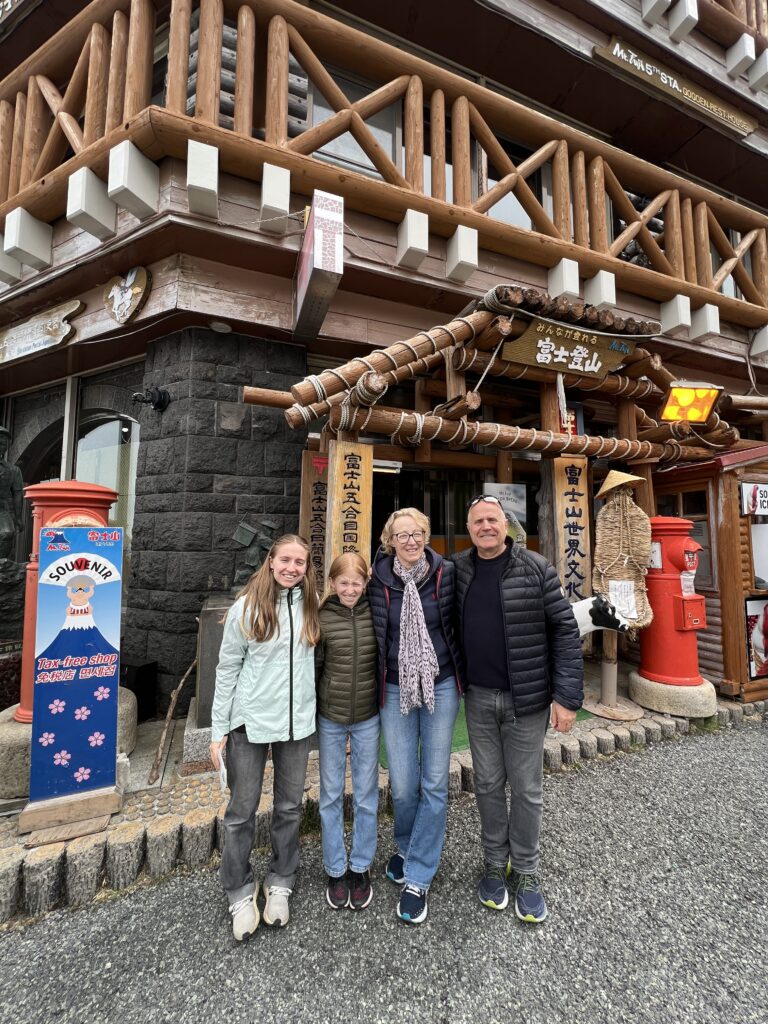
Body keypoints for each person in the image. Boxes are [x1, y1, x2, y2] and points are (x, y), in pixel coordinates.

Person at [453, 495, 583, 923]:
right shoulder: (460, 569)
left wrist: (567, 698)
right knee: (487, 784)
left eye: (492, 519)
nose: (485, 527)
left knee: (527, 789)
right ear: (469, 528)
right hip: (478, 698)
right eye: (477, 522)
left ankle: (525, 869)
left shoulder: (536, 568)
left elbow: (565, 629)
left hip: (526, 700)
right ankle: (494, 861)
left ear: (506, 524)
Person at [209, 534, 320, 941]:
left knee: (289, 807)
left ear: (307, 568)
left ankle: (281, 880)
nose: (292, 568)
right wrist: (218, 729)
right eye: (285, 560)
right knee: (241, 810)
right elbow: (226, 670)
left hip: (296, 725)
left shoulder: (311, 606)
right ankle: (239, 889)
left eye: (300, 562)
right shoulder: (247, 608)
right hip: (249, 724)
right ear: (270, 561)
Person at [368, 508, 462, 925]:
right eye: (402, 534)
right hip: (394, 686)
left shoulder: (446, 573)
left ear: (427, 535)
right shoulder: (377, 581)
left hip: (440, 683)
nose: (410, 540)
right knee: (404, 783)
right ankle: (405, 845)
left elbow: (466, 622)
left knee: (435, 780)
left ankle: (419, 874)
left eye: (418, 532)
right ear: (389, 540)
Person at [315, 553, 379, 911]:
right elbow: (315, 667)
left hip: (369, 714)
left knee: (367, 794)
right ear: (333, 583)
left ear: (366, 582)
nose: (351, 589)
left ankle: (361, 865)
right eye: (344, 582)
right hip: (331, 717)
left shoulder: (376, 612)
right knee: (331, 794)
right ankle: (335, 867)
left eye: (357, 583)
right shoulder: (322, 616)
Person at [0, 426, 23, 561]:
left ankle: (2, 565)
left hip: (3, 508)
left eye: (4, 443)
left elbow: (17, 494)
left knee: (7, 533)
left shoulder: (13, 470)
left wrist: (18, 518)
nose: (2, 446)